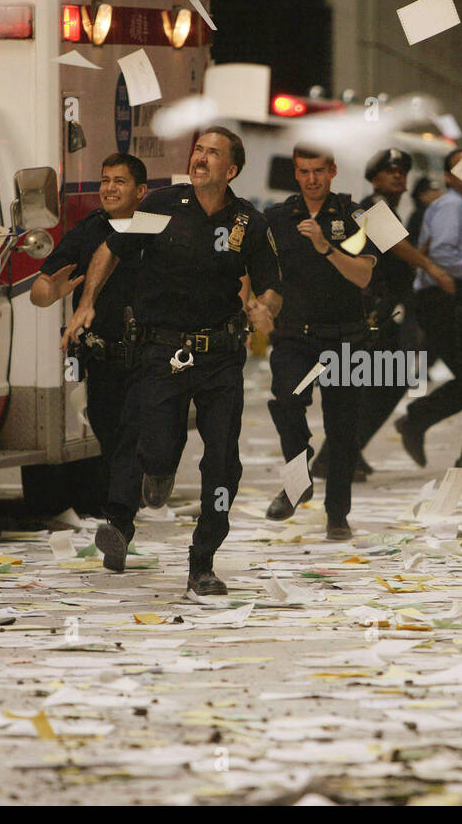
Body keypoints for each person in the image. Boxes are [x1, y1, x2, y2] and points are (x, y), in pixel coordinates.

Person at [62, 126, 281, 593]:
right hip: (164, 349)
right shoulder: (160, 206)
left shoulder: (249, 224)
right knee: (155, 447)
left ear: (232, 169)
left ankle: (203, 559)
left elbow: (270, 286)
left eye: (212, 153)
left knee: (223, 460)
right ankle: (154, 476)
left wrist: (265, 308)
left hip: (221, 354)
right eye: (198, 149)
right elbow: (110, 249)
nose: (200, 158)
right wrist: (87, 302)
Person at [310, 149, 453, 481]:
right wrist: (430, 265)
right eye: (390, 172)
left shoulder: (390, 211)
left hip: (388, 309)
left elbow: (399, 251)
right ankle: (333, 457)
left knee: (380, 384)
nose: (398, 177)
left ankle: (347, 452)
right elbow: (394, 246)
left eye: (402, 172)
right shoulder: (367, 208)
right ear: (374, 178)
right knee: (381, 383)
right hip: (373, 312)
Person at [262, 145, 376, 540]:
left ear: (333, 171)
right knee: (286, 402)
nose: (312, 179)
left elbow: (363, 276)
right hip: (295, 335)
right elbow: (262, 274)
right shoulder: (277, 218)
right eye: (304, 171)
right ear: (295, 173)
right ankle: (298, 479)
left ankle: (337, 515)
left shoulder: (356, 215)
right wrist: (257, 308)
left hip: (346, 337)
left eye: (319, 171)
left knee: (343, 429)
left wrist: (325, 247)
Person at [30, 153, 147, 515]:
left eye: (120, 181)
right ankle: (121, 513)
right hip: (103, 357)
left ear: (140, 190)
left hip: (149, 357)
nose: (110, 189)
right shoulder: (87, 230)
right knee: (110, 434)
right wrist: (54, 291)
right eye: (105, 180)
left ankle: (131, 499)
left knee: (143, 436)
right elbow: (40, 290)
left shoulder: (157, 227)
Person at [393, 146, 462, 469]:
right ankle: (418, 420)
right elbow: (443, 254)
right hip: (442, 300)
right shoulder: (453, 206)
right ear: (450, 178)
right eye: (461, 168)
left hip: (456, 299)